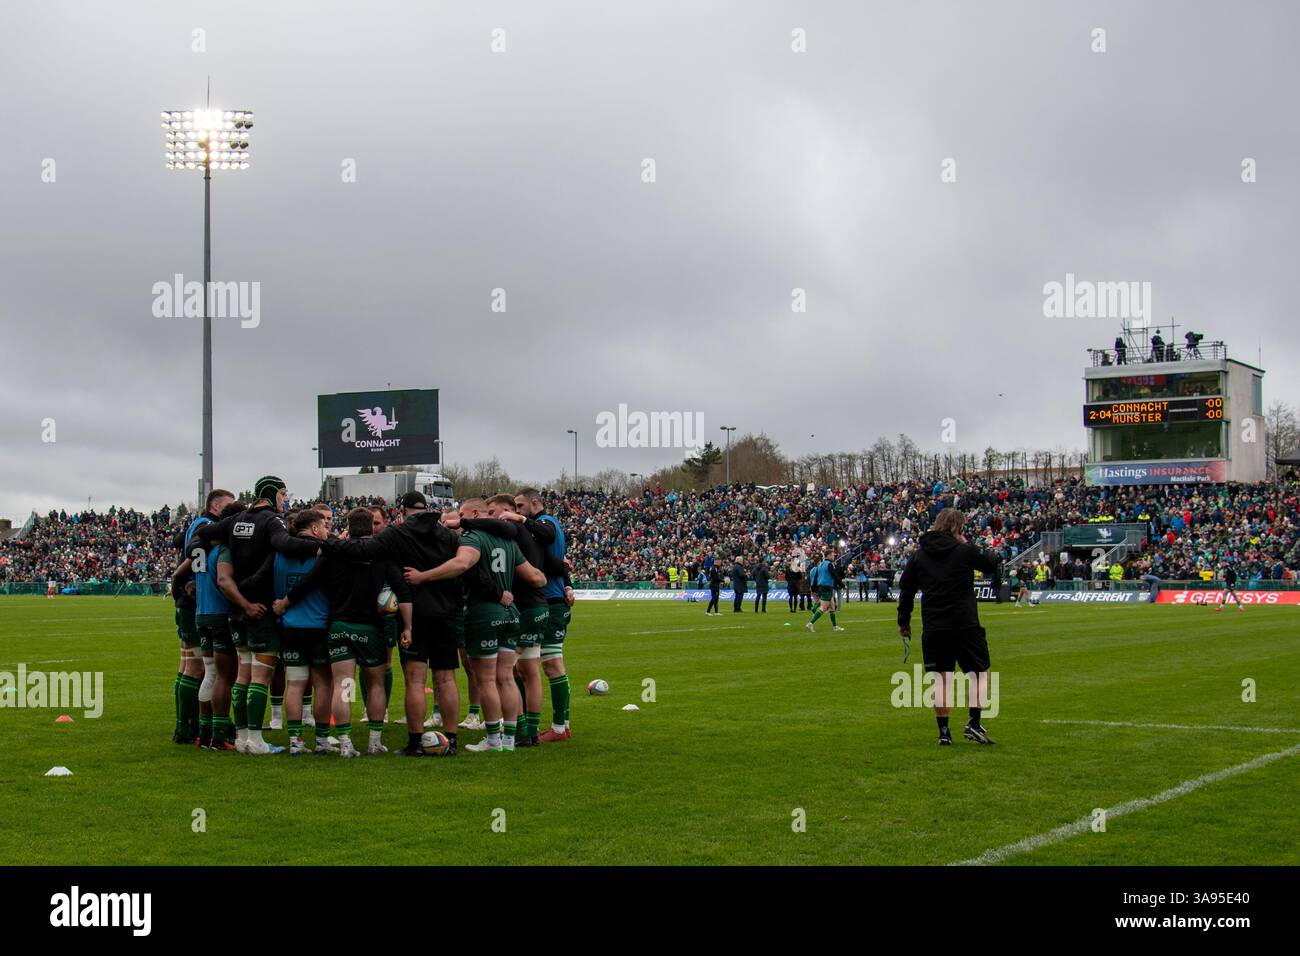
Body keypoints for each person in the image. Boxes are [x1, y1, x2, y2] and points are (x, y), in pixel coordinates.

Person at [409, 498, 546, 753]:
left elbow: (462, 564)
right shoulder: (509, 541)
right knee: (506, 678)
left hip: (484, 614)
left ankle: (493, 739)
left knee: (486, 680)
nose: (459, 520)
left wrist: (422, 577)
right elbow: (537, 578)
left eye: (462, 514)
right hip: (511, 614)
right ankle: (509, 741)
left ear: (474, 513)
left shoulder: (473, 537)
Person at [195, 476, 319, 755]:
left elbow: (206, 532)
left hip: (235, 608)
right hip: (260, 608)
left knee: (243, 675)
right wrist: (321, 547)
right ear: (273, 493)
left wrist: (200, 546)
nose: (285, 499)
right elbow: (283, 543)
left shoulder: (237, 519)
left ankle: (241, 738)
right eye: (284, 493)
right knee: (261, 677)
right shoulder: (271, 520)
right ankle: (256, 740)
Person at [897, 508, 1000, 746]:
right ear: (958, 527)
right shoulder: (964, 551)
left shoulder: (919, 555)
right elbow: (991, 563)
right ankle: (973, 723)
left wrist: (904, 621)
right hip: (964, 624)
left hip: (934, 626)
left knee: (941, 680)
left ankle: (944, 733)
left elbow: (906, 589)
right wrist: (969, 543)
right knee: (980, 673)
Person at [514, 487, 577, 743]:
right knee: (523, 666)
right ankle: (528, 723)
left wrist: (520, 521)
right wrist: (569, 583)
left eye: (520, 506)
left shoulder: (545, 522)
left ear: (535, 503)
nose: (517, 511)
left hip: (550, 600)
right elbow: (557, 562)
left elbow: (549, 541)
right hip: (551, 598)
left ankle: (560, 728)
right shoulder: (543, 527)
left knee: (551, 664)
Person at [269, 509, 334, 755]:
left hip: (290, 626)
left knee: (294, 684)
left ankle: (295, 742)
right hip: (318, 625)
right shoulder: (323, 552)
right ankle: (322, 741)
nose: (327, 531)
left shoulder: (280, 554)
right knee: (323, 684)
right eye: (325, 527)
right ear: (315, 529)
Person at [805, 553, 844, 633]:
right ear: (828, 555)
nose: (833, 556)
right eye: (832, 555)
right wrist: (842, 585)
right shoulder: (829, 564)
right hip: (827, 587)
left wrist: (813, 588)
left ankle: (835, 626)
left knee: (832, 607)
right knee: (823, 608)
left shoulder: (820, 565)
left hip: (821, 587)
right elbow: (834, 575)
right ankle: (810, 623)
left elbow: (816, 577)